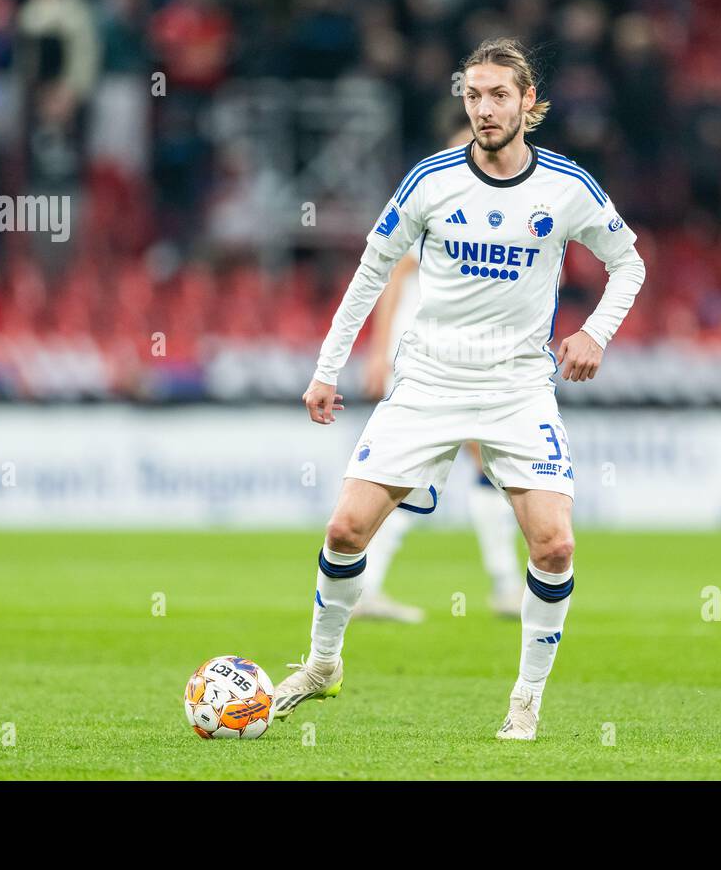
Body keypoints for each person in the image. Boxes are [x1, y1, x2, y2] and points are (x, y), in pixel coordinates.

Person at [275, 38, 646, 740]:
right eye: (473, 95)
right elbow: (369, 272)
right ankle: (323, 664)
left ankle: (526, 699)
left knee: (555, 547)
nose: (484, 108)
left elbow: (628, 262)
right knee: (345, 528)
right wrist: (328, 367)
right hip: (430, 382)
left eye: (499, 95)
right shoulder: (431, 180)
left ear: (529, 104)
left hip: (517, 389)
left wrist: (595, 333)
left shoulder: (566, 187)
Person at [352, 126, 525, 625]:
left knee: (444, 472)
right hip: (424, 361)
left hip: (452, 358)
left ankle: (371, 586)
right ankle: (505, 586)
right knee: (478, 461)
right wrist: (379, 354)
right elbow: (392, 283)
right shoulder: (435, 209)